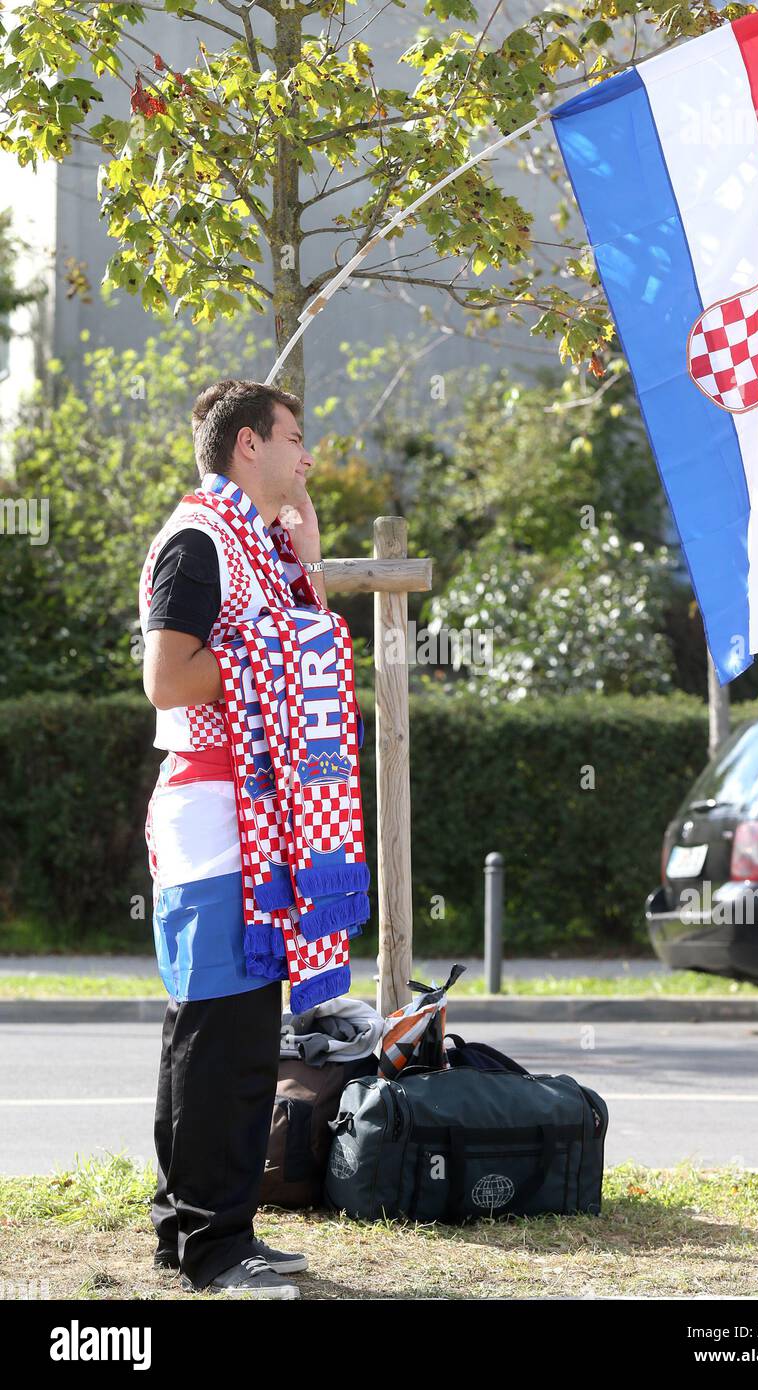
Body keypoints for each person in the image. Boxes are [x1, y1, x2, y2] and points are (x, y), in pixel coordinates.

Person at [139, 379, 330, 1299]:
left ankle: (198, 1232)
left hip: (248, 819)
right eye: (296, 437)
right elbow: (167, 680)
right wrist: (263, 651)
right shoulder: (197, 539)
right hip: (215, 818)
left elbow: (307, 640)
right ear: (249, 444)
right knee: (221, 1038)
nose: (307, 455)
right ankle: (214, 1248)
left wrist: (309, 550)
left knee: (230, 1033)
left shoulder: (250, 541)